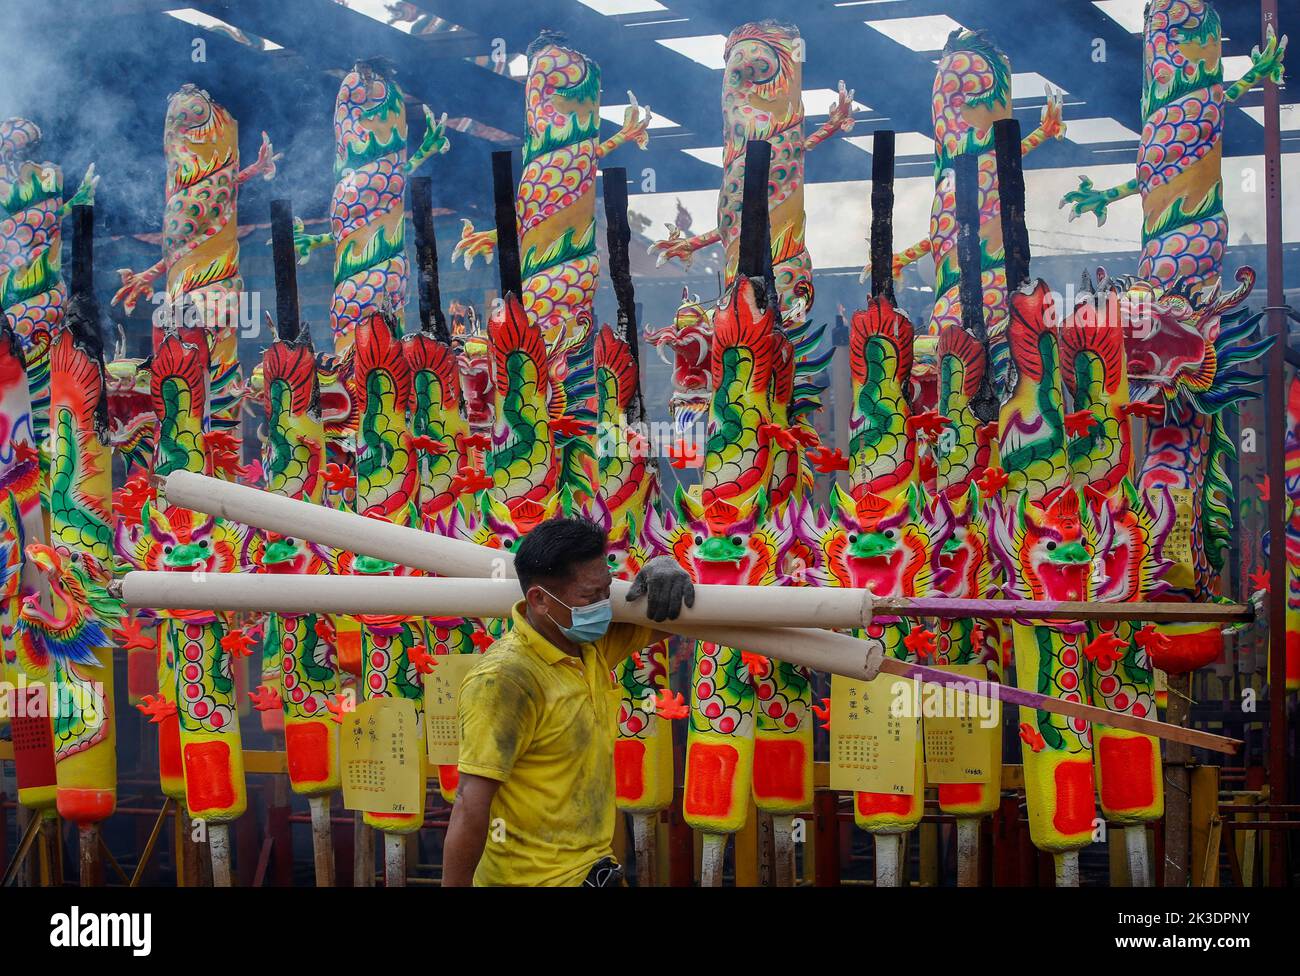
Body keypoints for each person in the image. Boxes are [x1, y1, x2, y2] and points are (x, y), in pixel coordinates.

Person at [441, 515, 694, 887]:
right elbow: (469, 805)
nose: (604, 605)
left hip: (594, 872)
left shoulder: (589, 647)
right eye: (590, 597)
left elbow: (674, 614)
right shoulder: (506, 679)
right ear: (540, 600)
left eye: (606, 591)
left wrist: (664, 566)